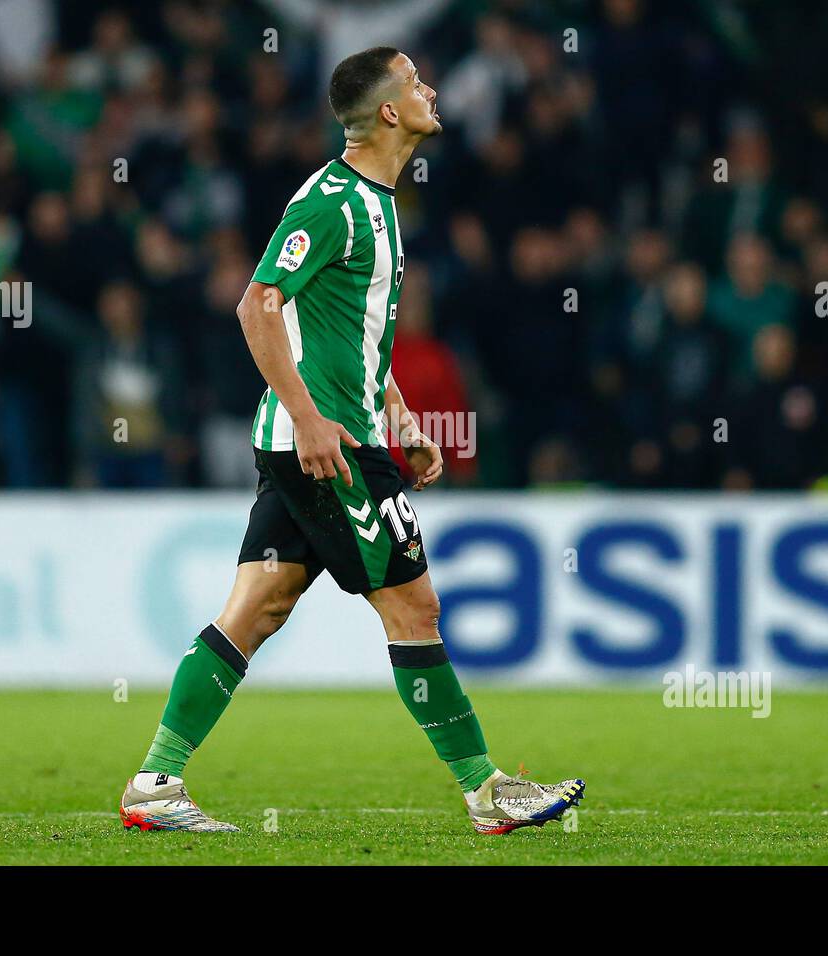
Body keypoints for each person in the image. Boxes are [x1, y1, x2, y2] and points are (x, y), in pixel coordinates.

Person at [119, 47, 584, 835]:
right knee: (416, 608)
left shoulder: (378, 204)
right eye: (416, 82)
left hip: (333, 437)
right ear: (392, 112)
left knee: (257, 608)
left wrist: (402, 419)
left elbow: (350, 339)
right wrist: (308, 418)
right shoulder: (332, 201)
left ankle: (155, 782)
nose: (432, 88)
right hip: (326, 447)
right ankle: (487, 791)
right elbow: (257, 306)